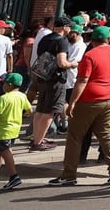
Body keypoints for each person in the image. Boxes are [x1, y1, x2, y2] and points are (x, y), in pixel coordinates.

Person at [49, 25, 110, 187]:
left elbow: (82, 80)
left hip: (90, 99)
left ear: (92, 40)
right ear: (107, 39)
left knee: (75, 136)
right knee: (106, 132)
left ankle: (69, 174)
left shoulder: (90, 55)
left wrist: (73, 102)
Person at [28, 15, 77, 151]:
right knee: (49, 112)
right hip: (55, 79)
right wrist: (72, 64)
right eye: (69, 26)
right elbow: (61, 62)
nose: (70, 29)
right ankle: (38, 142)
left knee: (40, 110)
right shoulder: (62, 41)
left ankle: (36, 138)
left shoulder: (45, 38)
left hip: (42, 77)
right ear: (63, 27)